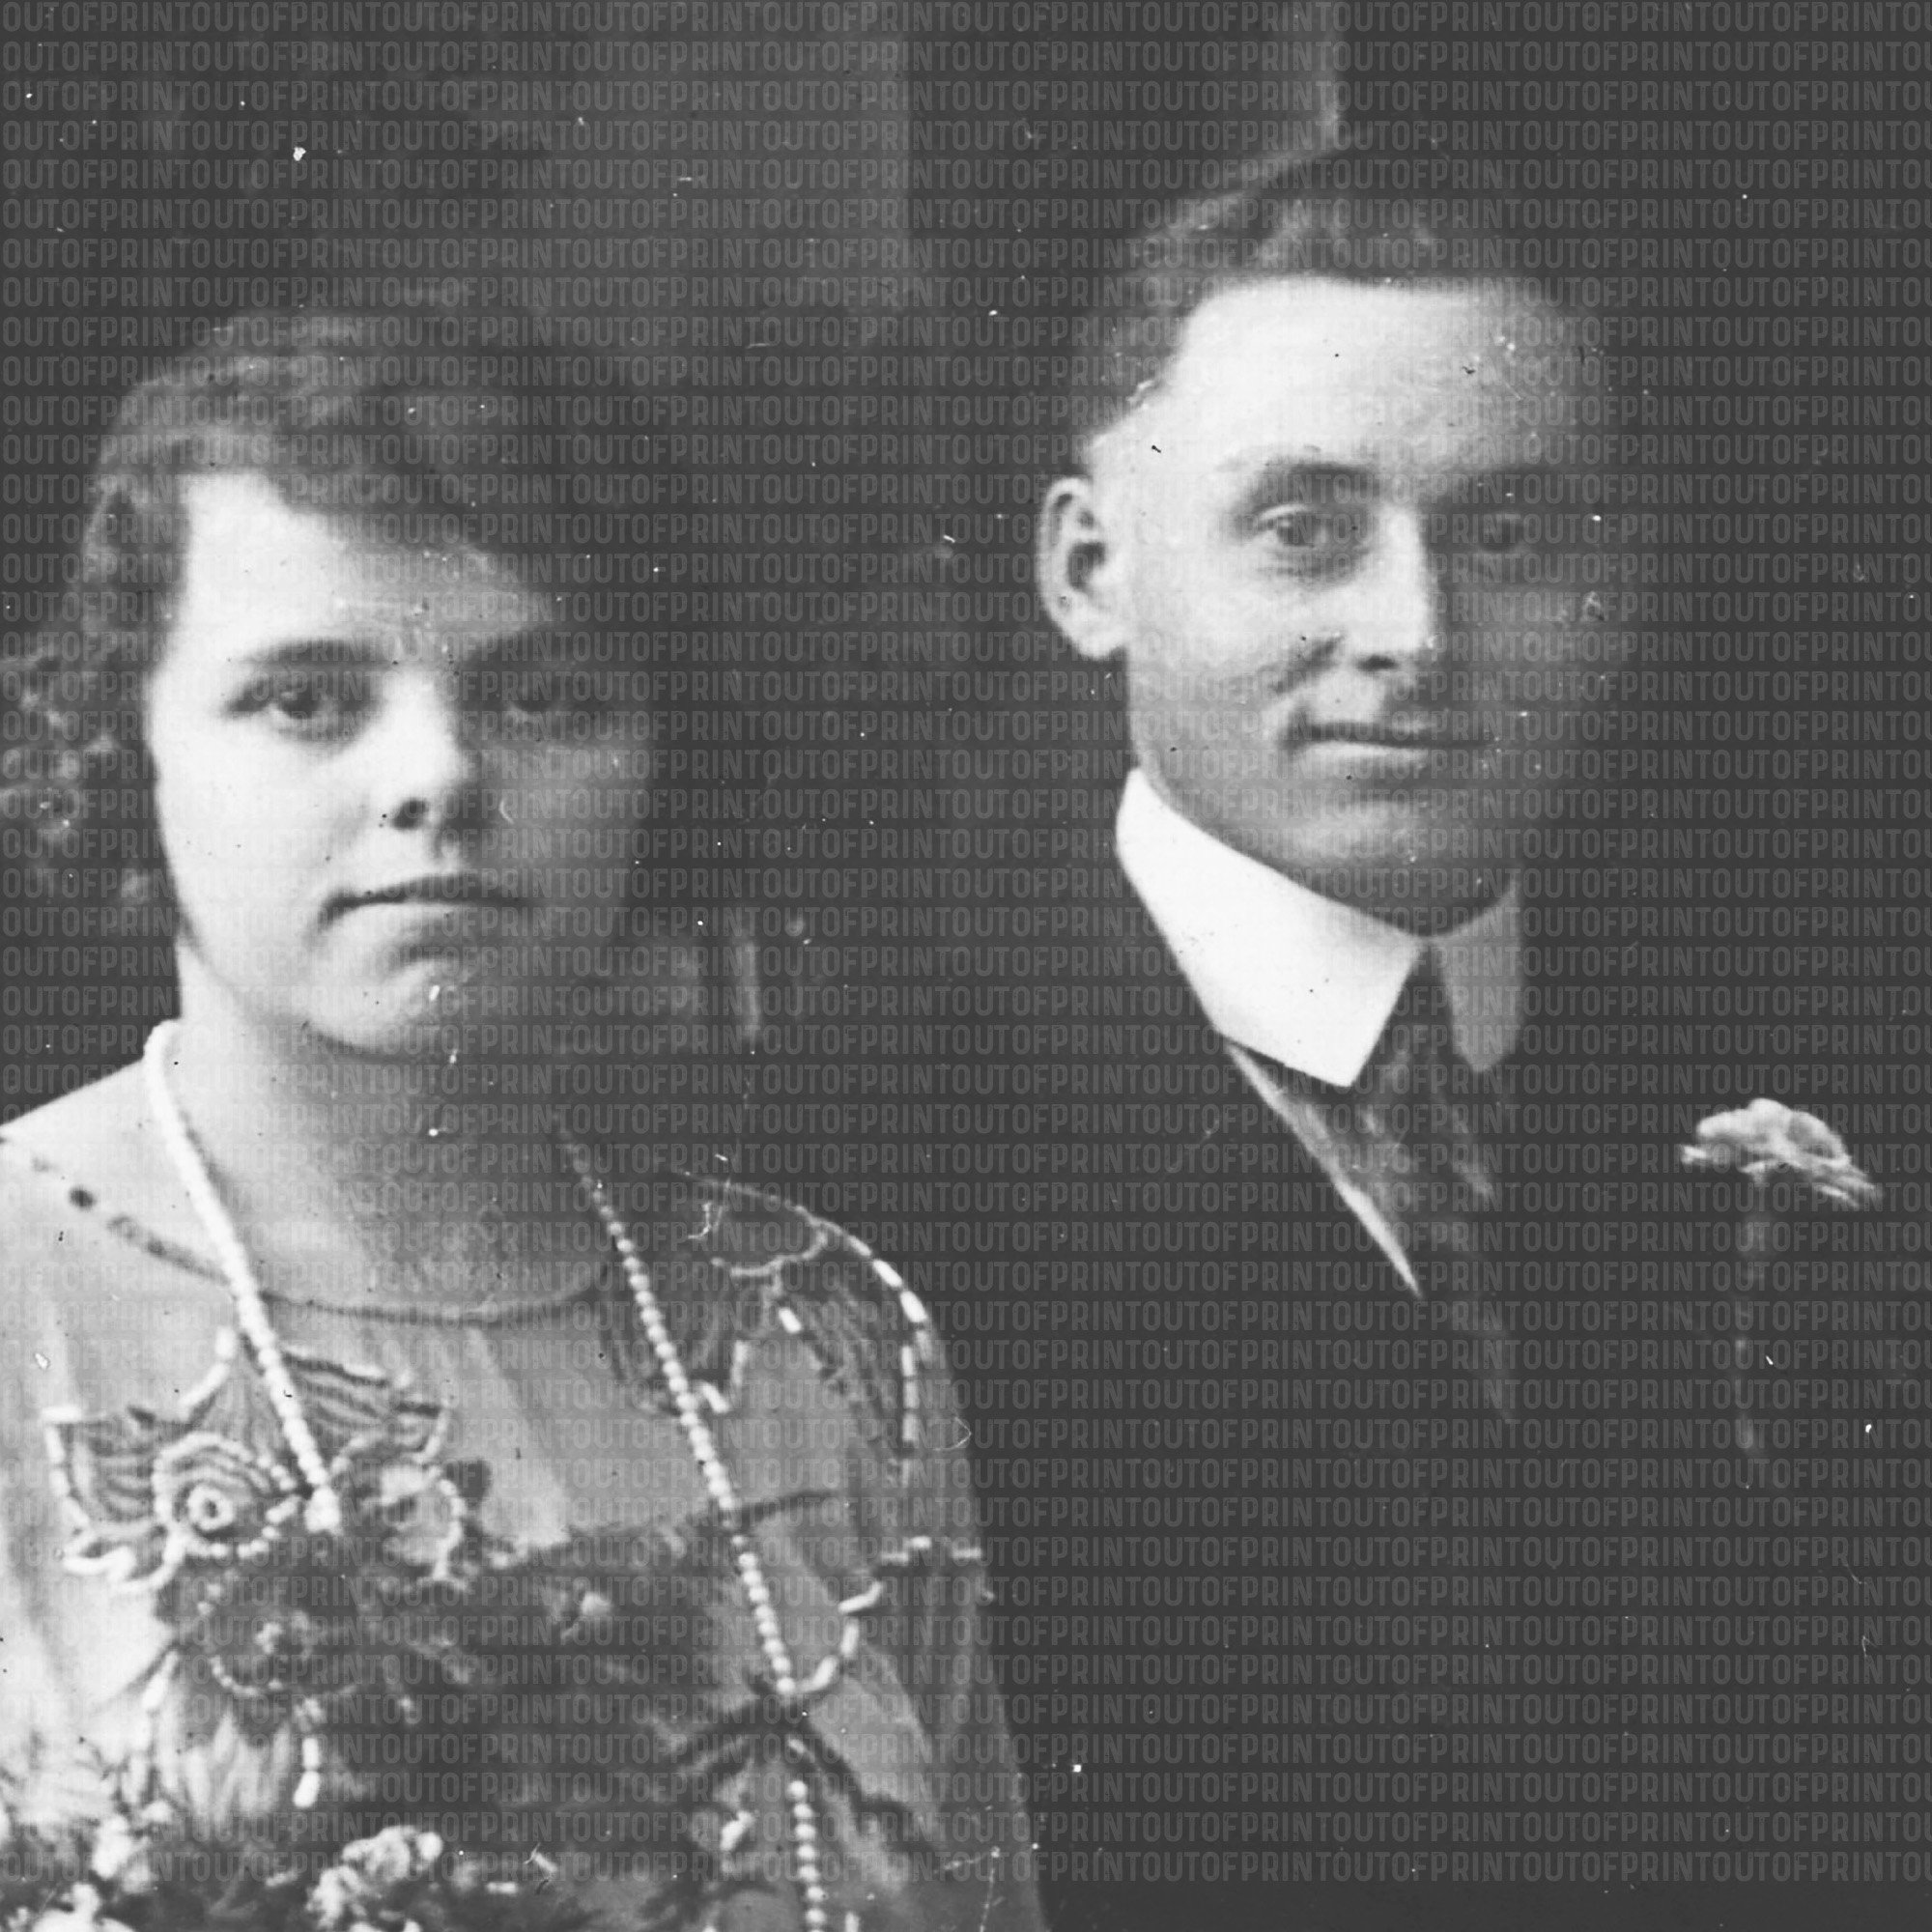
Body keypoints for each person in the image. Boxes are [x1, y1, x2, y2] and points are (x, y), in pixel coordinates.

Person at [0, 300, 1042, 1932]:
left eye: (546, 698)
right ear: (129, 744)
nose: (439, 778)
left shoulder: (829, 1344)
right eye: (307, 700)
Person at [958, 154, 1690, 1930]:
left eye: (1506, 538)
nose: (1416, 634)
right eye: (1305, 529)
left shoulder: (1774, 1069)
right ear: (1089, 571)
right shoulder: (890, 1142)